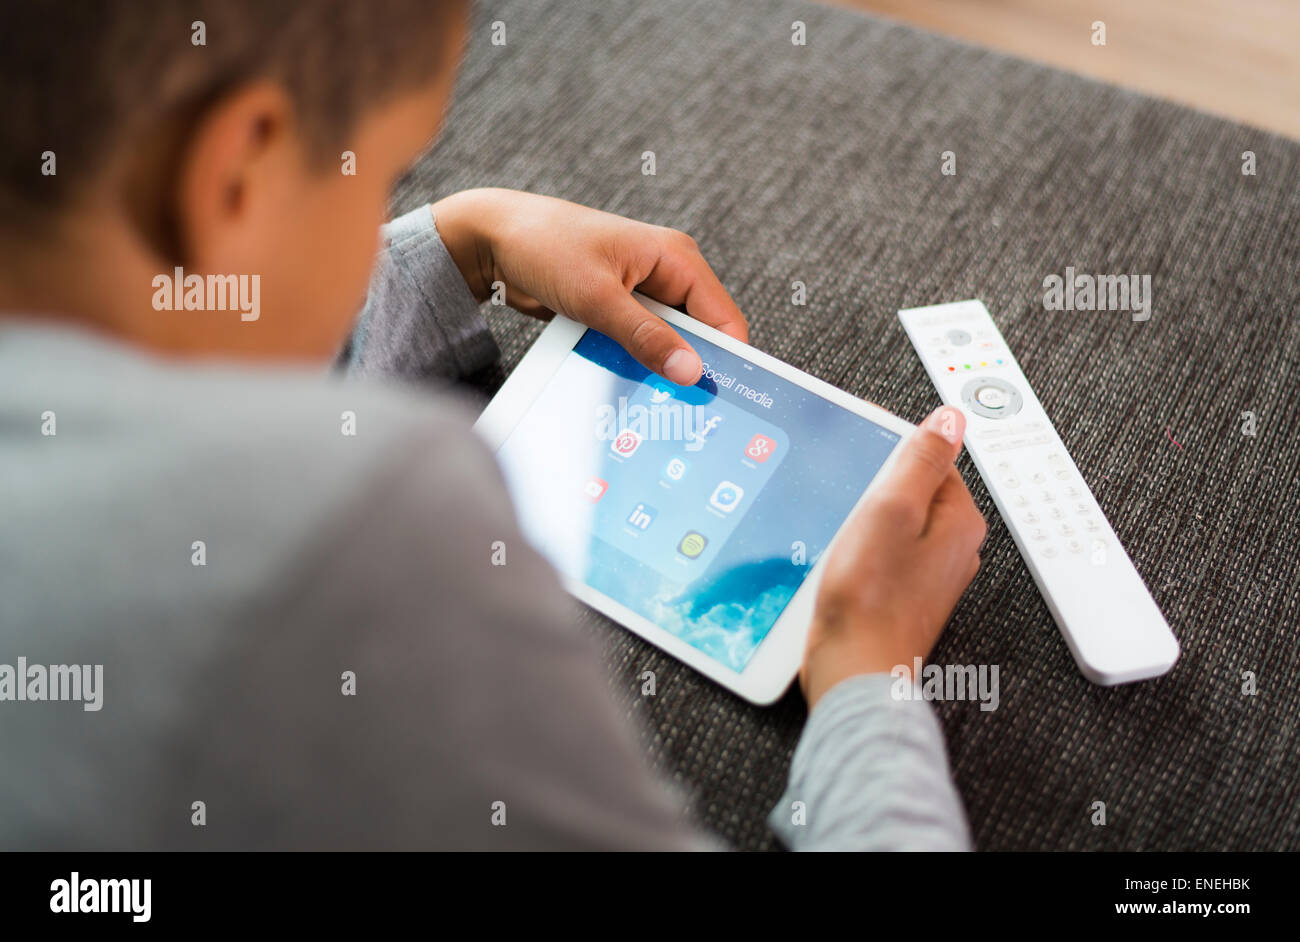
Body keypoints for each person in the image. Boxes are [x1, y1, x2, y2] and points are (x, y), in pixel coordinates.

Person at [0, 0, 986, 850]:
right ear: (235, 173)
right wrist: (868, 682)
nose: (390, 203)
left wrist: (455, 246)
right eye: (385, 172)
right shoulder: (361, 518)